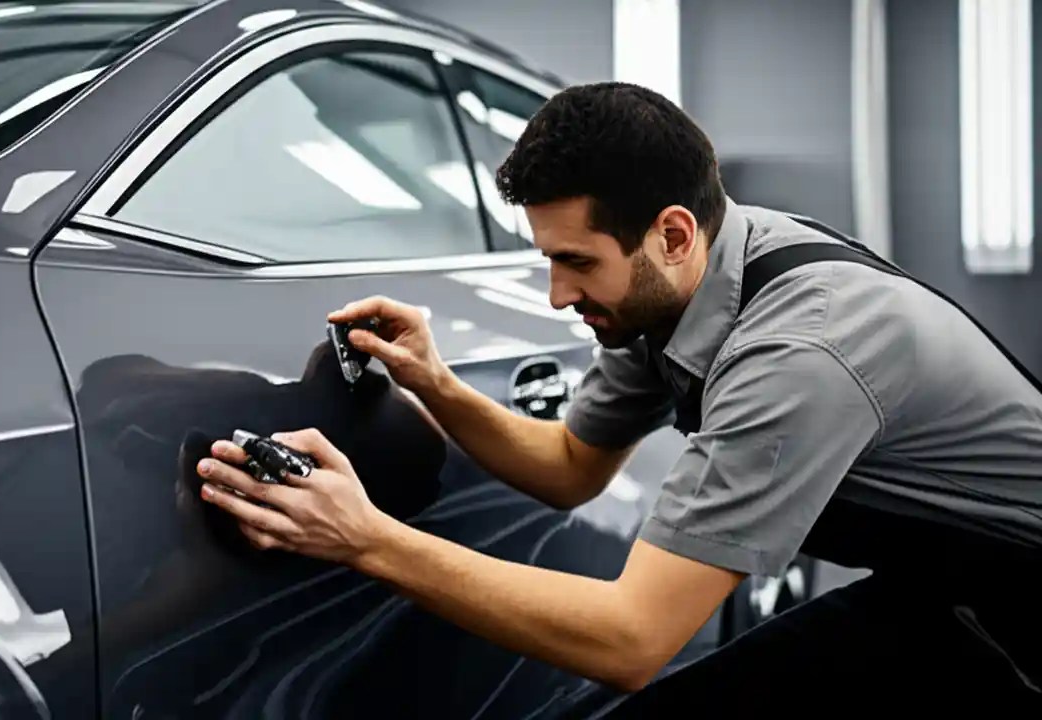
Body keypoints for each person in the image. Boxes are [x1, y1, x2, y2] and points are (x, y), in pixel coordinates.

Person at [195, 81, 1042, 715]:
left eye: (577, 262)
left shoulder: (797, 351)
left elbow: (632, 640)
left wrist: (364, 538)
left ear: (672, 234)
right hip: (946, 590)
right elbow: (569, 467)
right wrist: (437, 384)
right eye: (548, 261)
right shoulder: (686, 285)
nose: (559, 296)